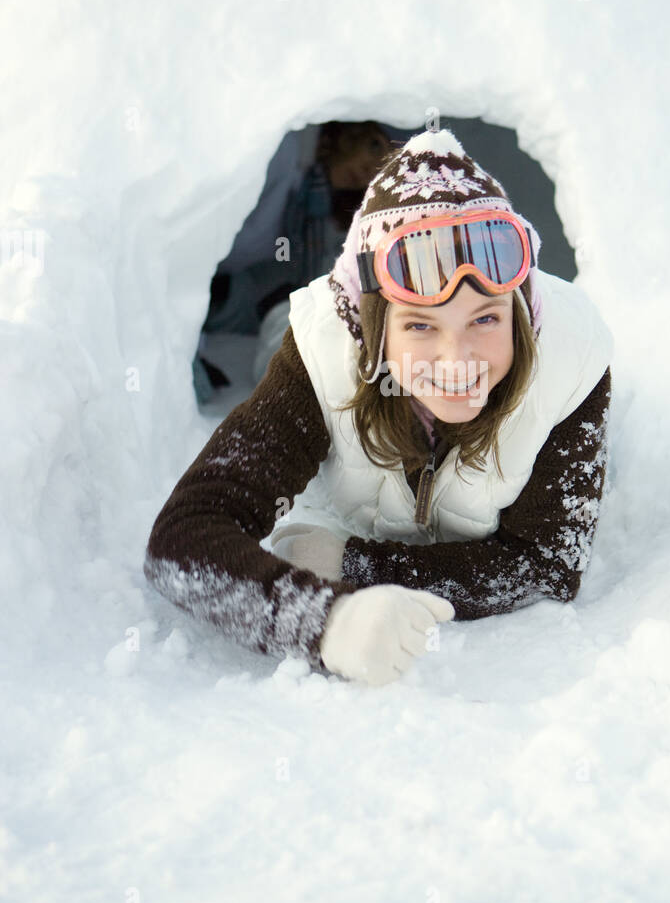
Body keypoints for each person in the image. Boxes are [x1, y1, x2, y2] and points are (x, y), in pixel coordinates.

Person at [145, 128, 614, 687]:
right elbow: (183, 540)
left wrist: (351, 566)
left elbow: (546, 566)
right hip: (321, 350)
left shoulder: (571, 361)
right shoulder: (325, 355)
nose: (455, 358)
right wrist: (325, 623)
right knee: (276, 336)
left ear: (518, 310)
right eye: (420, 324)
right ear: (373, 329)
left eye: (485, 318)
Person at [193, 120, 394, 402]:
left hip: (280, 300)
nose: (366, 170)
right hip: (241, 287)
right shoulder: (288, 160)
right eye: (373, 147)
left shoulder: (338, 221)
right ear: (348, 133)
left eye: (377, 170)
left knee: (304, 328)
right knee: (288, 335)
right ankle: (292, 399)